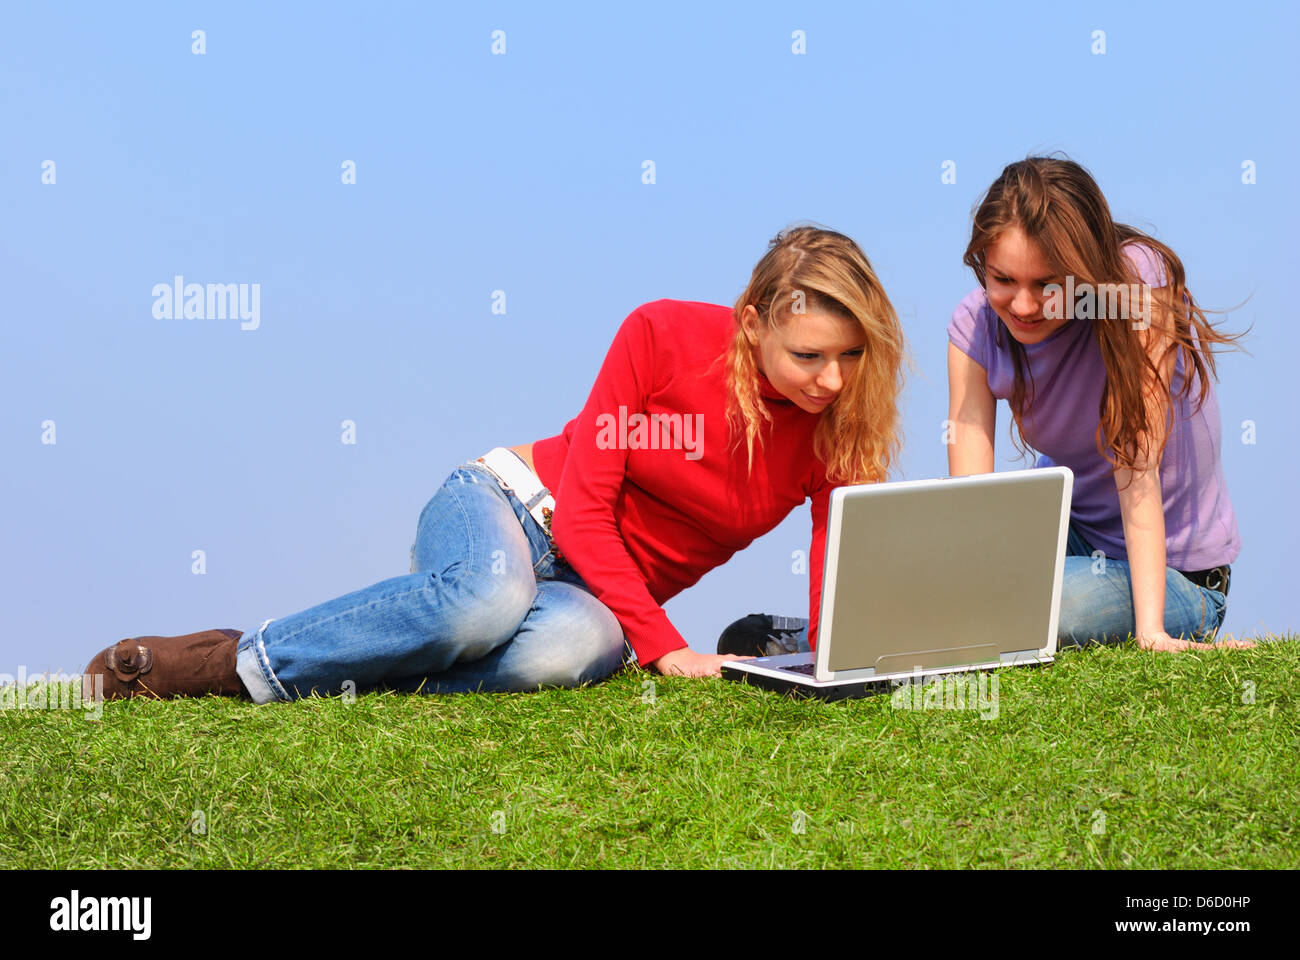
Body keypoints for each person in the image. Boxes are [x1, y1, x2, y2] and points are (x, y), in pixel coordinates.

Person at [83, 225, 907, 702]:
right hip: (518, 507)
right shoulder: (660, 334)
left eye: (849, 357)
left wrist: (842, 654)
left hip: (597, 593)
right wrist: (664, 646)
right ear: (753, 322)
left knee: (558, 654)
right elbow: (584, 510)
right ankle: (237, 664)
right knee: (485, 600)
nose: (832, 380)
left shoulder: (837, 419)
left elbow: (844, 547)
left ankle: (355, 682)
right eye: (810, 356)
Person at [728, 157, 1255, 655]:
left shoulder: (1139, 288)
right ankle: (823, 641)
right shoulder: (975, 324)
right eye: (1003, 280)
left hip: (1177, 576)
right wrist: (966, 574)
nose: (1022, 306)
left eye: (1048, 284)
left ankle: (812, 648)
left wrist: (1152, 632)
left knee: (1045, 609)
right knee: (939, 551)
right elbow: (972, 507)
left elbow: (1137, 468)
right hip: (1063, 537)